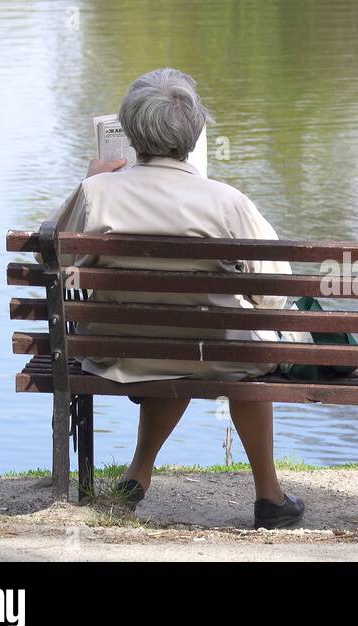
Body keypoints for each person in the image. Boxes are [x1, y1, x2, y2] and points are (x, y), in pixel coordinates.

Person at [42, 68, 304, 529]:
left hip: (117, 351)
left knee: (174, 343)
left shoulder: (96, 193)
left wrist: (86, 183)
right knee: (222, 344)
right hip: (213, 353)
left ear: (129, 132)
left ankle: (137, 478)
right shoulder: (227, 202)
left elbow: (51, 263)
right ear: (194, 134)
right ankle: (269, 495)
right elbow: (273, 291)